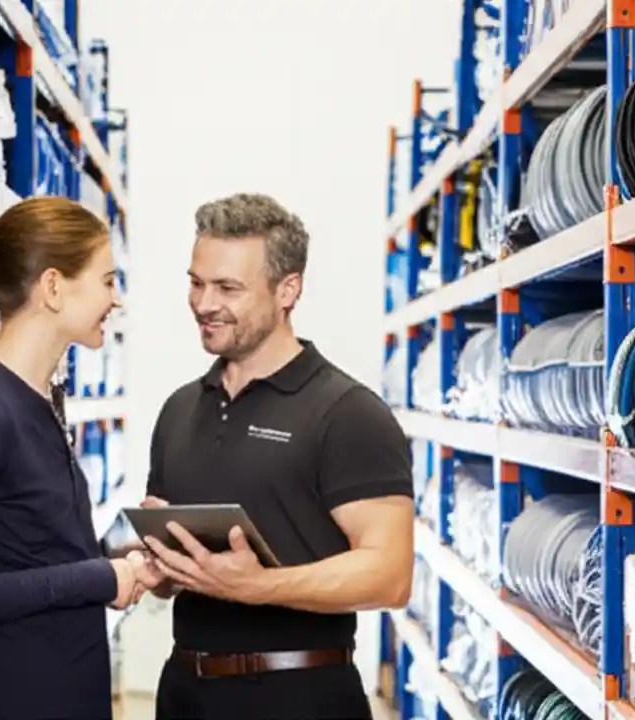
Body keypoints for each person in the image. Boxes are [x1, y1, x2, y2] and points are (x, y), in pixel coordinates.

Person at [140, 193, 415, 719]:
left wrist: (257, 587)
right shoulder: (179, 410)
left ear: (288, 289)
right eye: (196, 283)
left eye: (228, 288)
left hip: (299, 697)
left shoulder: (347, 413)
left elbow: (390, 574)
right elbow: (178, 582)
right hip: (185, 692)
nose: (204, 303)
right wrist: (166, 564)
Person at [0, 197, 162, 720]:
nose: (117, 300)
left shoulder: (40, 401)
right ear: (53, 287)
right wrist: (100, 578)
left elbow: (31, 551)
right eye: (107, 281)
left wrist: (124, 555)